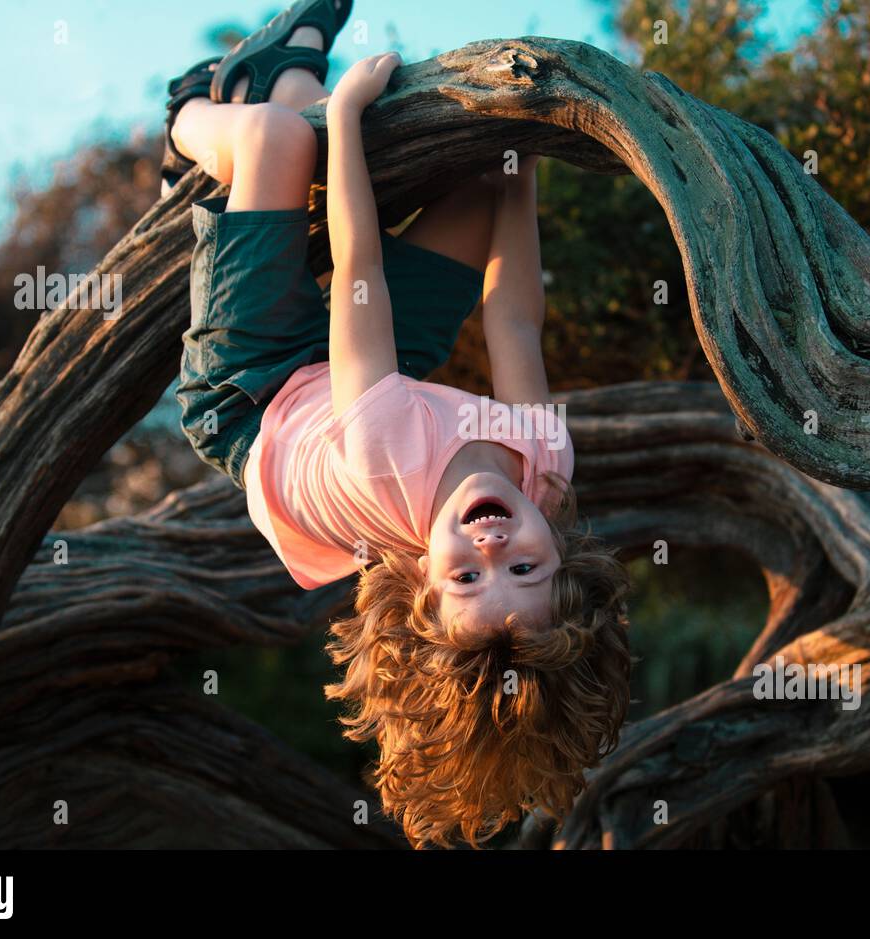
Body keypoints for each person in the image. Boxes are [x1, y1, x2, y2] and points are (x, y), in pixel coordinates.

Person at [164, 0, 630, 847]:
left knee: (279, 140)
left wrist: (342, 118)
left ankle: (190, 120)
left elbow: (360, 267)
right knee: (481, 184)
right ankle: (275, 68)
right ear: (563, 555)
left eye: (465, 582)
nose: (493, 553)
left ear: (420, 580)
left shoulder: (386, 459)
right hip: (370, 375)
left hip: (255, 391)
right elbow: (514, 321)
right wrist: (521, 163)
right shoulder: (547, 468)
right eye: (525, 568)